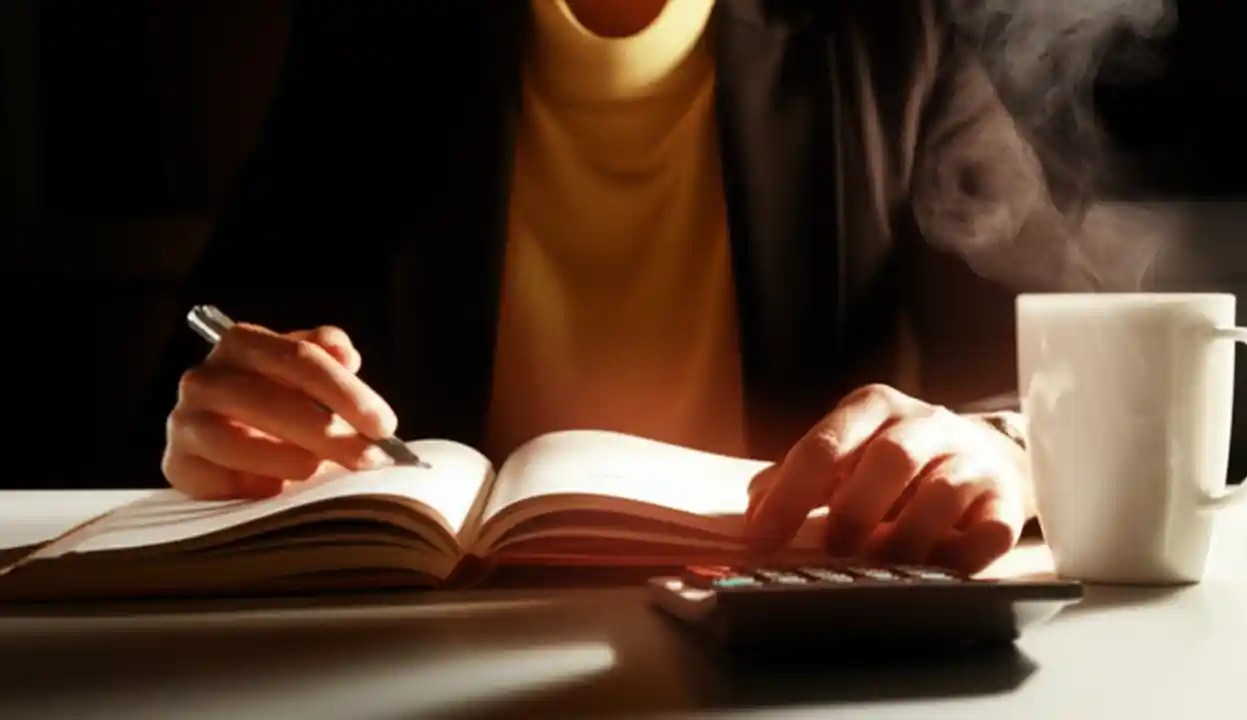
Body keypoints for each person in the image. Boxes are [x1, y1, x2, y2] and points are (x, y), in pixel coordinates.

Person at [147, 0, 1085, 575]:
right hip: (422, 639)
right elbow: (206, 381)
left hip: (788, 642)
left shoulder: (884, 25)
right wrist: (223, 432)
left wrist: (1006, 447)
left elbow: (1052, 381)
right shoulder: (379, 32)